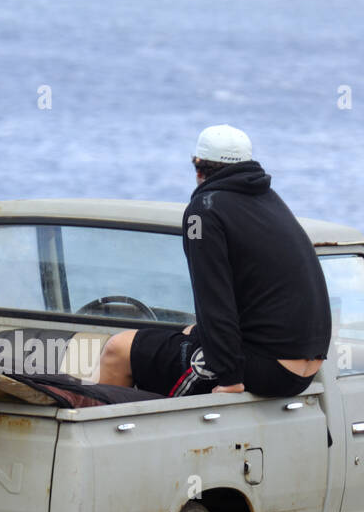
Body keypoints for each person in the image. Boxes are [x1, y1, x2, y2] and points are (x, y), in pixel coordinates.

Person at [96, 124, 331, 398]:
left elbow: (213, 298)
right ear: (248, 164)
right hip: (303, 370)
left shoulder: (202, 212)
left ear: (198, 168)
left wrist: (230, 379)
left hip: (265, 369)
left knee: (118, 349)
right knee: (188, 331)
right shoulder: (269, 201)